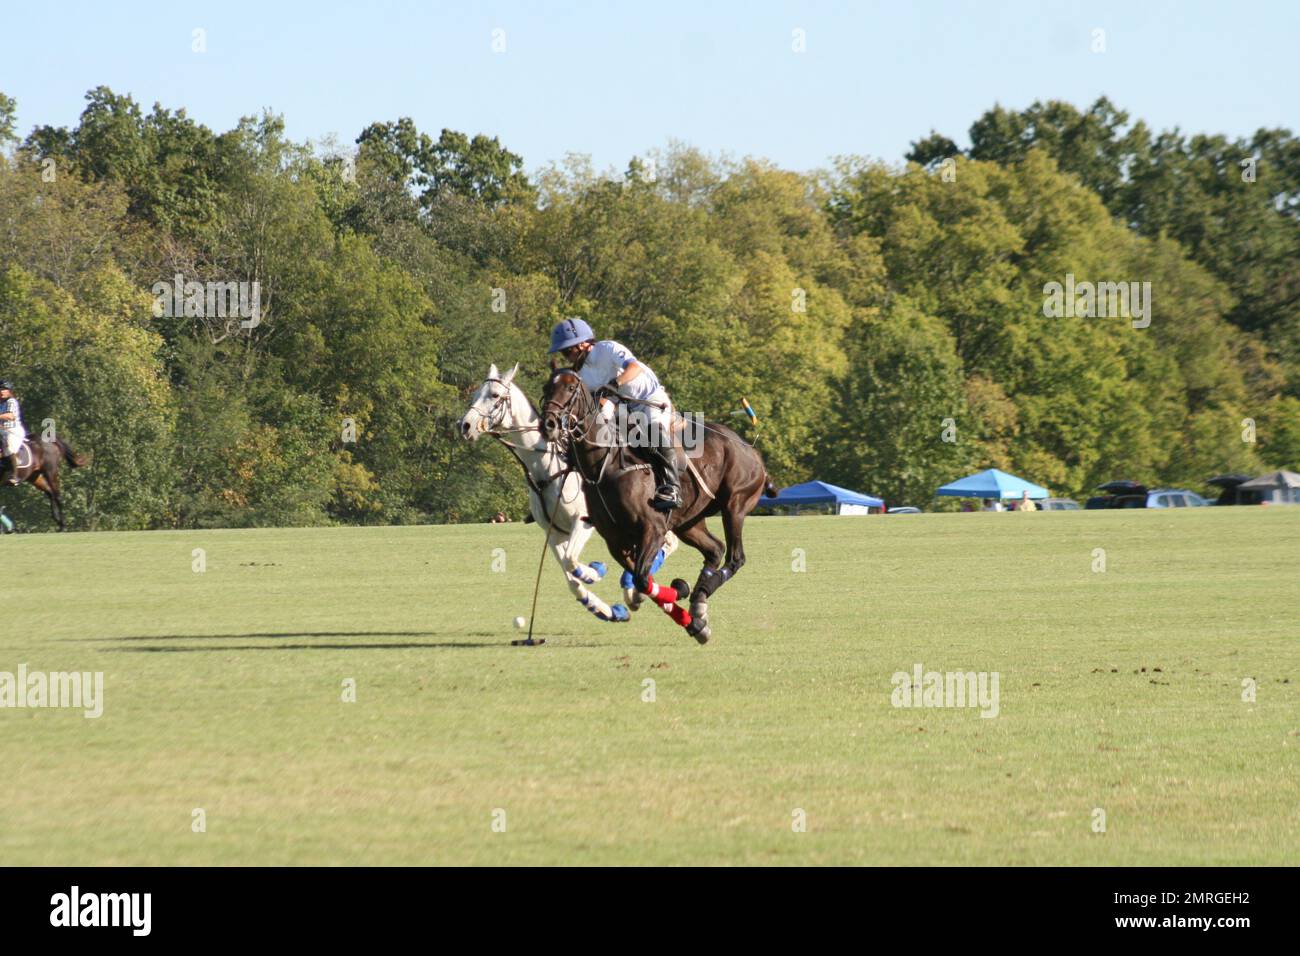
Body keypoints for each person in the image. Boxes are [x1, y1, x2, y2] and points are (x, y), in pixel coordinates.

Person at [548, 317, 681, 511]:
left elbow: (634, 367)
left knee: (653, 431)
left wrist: (614, 384)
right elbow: (596, 402)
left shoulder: (607, 348)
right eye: (563, 352)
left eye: (568, 350)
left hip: (649, 399)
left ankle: (672, 487)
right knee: (594, 435)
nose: (566, 356)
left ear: (584, 344)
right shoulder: (582, 374)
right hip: (621, 407)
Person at [0, 381, 26, 486]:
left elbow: (10, 416)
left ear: (9, 391)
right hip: (2, 430)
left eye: (3, 389)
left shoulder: (11, 401)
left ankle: (14, 476)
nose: (1, 391)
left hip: (13, 431)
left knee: (9, 446)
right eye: (0, 389)